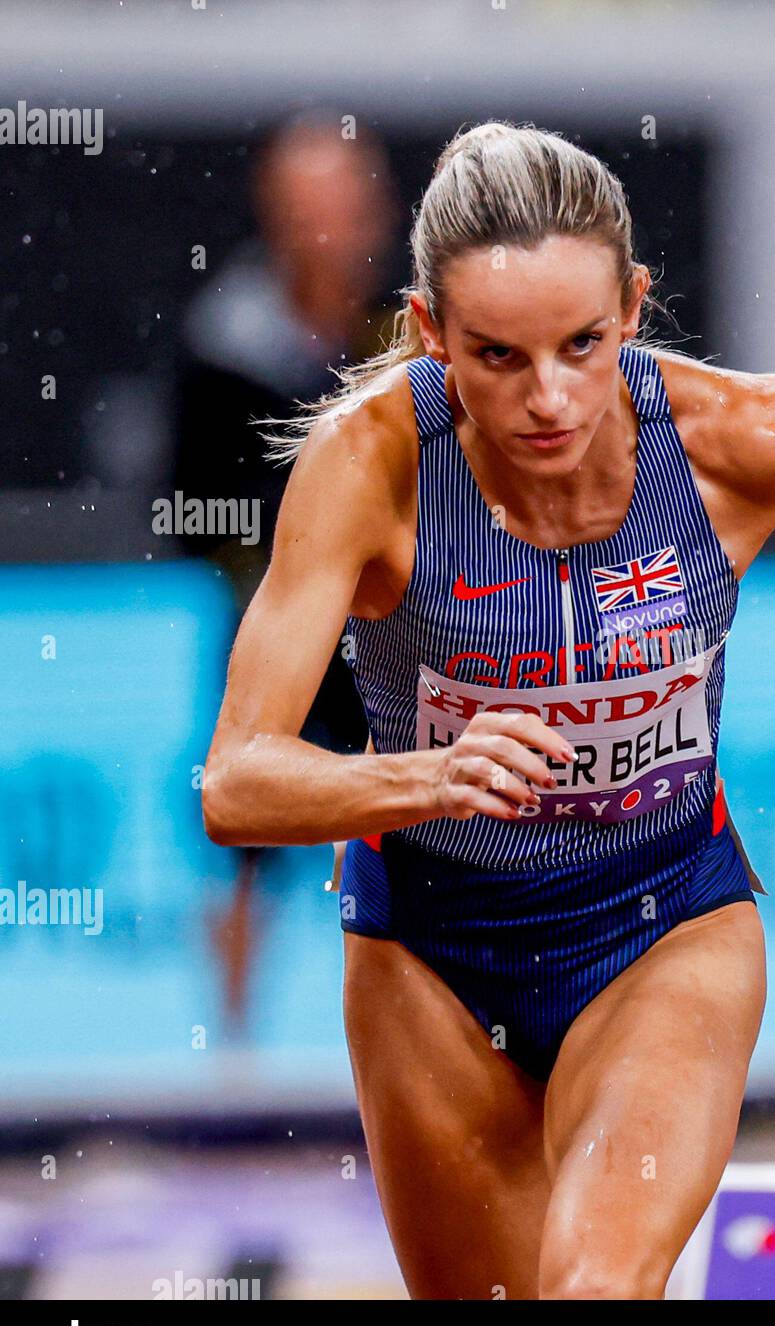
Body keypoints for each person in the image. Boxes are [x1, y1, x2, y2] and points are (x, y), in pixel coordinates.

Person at [200, 120, 775, 1299]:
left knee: (596, 1283)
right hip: (426, 950)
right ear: (428, 334)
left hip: (660, 922)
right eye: (497, 357)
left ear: (634, 304)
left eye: (581, 344)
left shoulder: (732, 437)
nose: (550, 401)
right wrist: (422, 776)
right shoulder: (366, 465)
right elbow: (235, 784)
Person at [174, 115, 395, 1038]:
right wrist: (290, 569)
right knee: (242, 843)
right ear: (275, 217)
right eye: (308, 210)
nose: (329, 230)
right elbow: (185, 510)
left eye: (343, 207)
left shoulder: (410, 331)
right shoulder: (227, 343)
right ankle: (229, 1068)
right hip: (275, 620)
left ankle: (426, 1061)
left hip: (391, 627)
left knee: (408, 821)